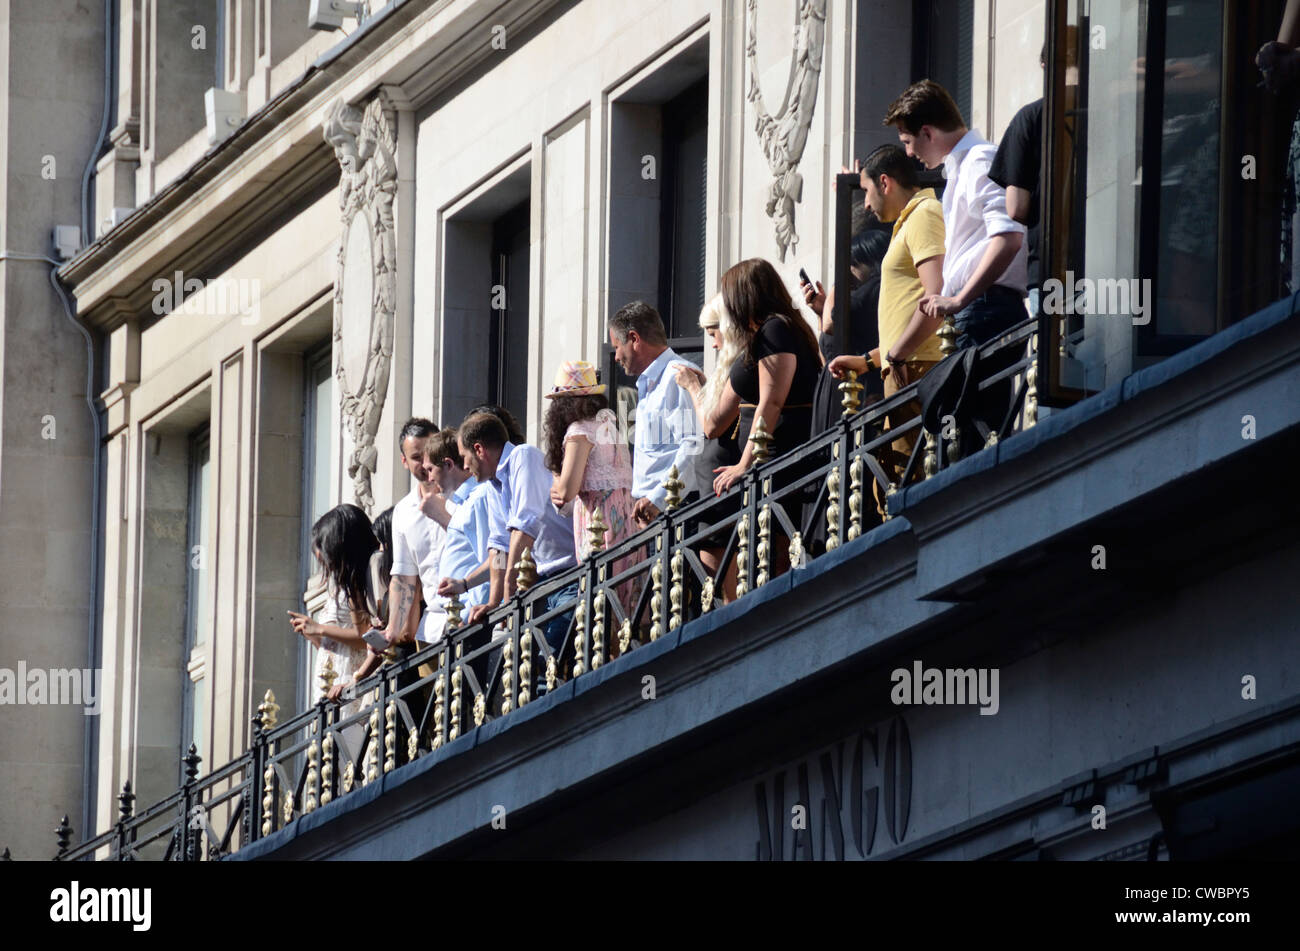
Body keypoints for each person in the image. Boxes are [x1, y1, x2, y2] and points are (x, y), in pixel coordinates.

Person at [827, 144, 946, 515]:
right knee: (896, 483)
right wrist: (869, 360)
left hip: (917, 368)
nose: (865, 204)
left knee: (911, 486)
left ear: (884, 182)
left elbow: (935, 298)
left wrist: (895, 355)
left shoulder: (925, 214)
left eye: (865, 192)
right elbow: (910, 311)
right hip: (904, 366)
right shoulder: (907, 223)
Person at [883, 79, 1027, 349]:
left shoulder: (979, 161)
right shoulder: (967, 165)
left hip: (984, 309)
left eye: (907, 141)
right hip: (979, 309)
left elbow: (1009, 237)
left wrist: (959, 300)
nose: (909, 153)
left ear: (927, 132)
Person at [460, 411, 577, 695]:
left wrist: (509, 597)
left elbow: (524, 526)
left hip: (568, 575)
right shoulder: (491, 485)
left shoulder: (523, 457)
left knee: (548, 669)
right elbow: (499, 543)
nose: (465, 466)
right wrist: (494, 601)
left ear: (479, 449)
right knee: (528, 674)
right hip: (540, 585)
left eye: (464, 456)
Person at [543, 360, 640, 622]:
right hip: (624, 516)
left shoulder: (579, 431)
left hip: (599, 519)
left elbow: (566, 491)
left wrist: (557, 481)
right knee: (626, 598)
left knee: (601, 599)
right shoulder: (609, 424)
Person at [608, 301, 707, 527]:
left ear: (634, 339)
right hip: (656, 509)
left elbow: (692, 446)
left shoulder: (678, 375)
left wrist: (657, 500)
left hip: (675, 508)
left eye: (616, 347)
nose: (615, 357)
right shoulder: (651, 382)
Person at [675, 295, 744, 599]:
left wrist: (692, 387)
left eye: (714, 335)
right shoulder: (730, 366)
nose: (713, 345)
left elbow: (711, 424)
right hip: (712, 490)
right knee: (714, 591)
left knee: (727, 593)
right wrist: (703, 389)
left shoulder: (741, 365)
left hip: (723, 491)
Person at [291, 504, 381, 724]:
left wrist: (320, 628)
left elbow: (366, 637)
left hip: (351, 673)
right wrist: (316, 636)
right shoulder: (342, 583)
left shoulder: (358, 579)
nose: (320, 556)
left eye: (323, 547)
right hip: (333, 674)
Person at [803, 229, 890, 433]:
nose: (848, 270)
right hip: (839, 393)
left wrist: (838, 283)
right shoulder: (861, 295)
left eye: (852, 263)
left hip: (861, 392)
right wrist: (820, 311)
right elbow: (829, 354)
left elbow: (833, 323)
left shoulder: (874, 290)